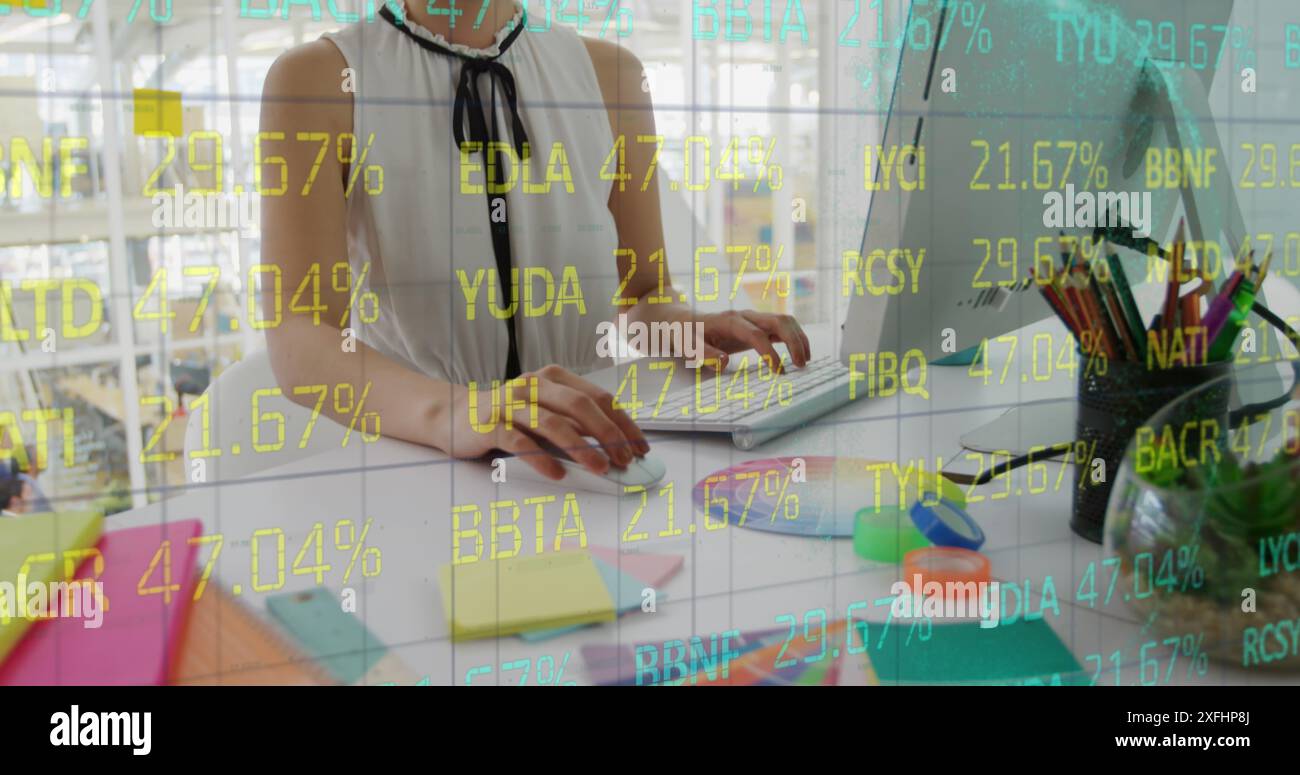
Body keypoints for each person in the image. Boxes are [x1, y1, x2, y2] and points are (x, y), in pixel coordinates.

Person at [260, 0, 810, 481]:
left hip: (595, 452)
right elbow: (298, 334)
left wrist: (684, 327)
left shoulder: (612, 75)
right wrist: (456, 411)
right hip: (423, 465)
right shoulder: (315, 80)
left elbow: (642, 297)